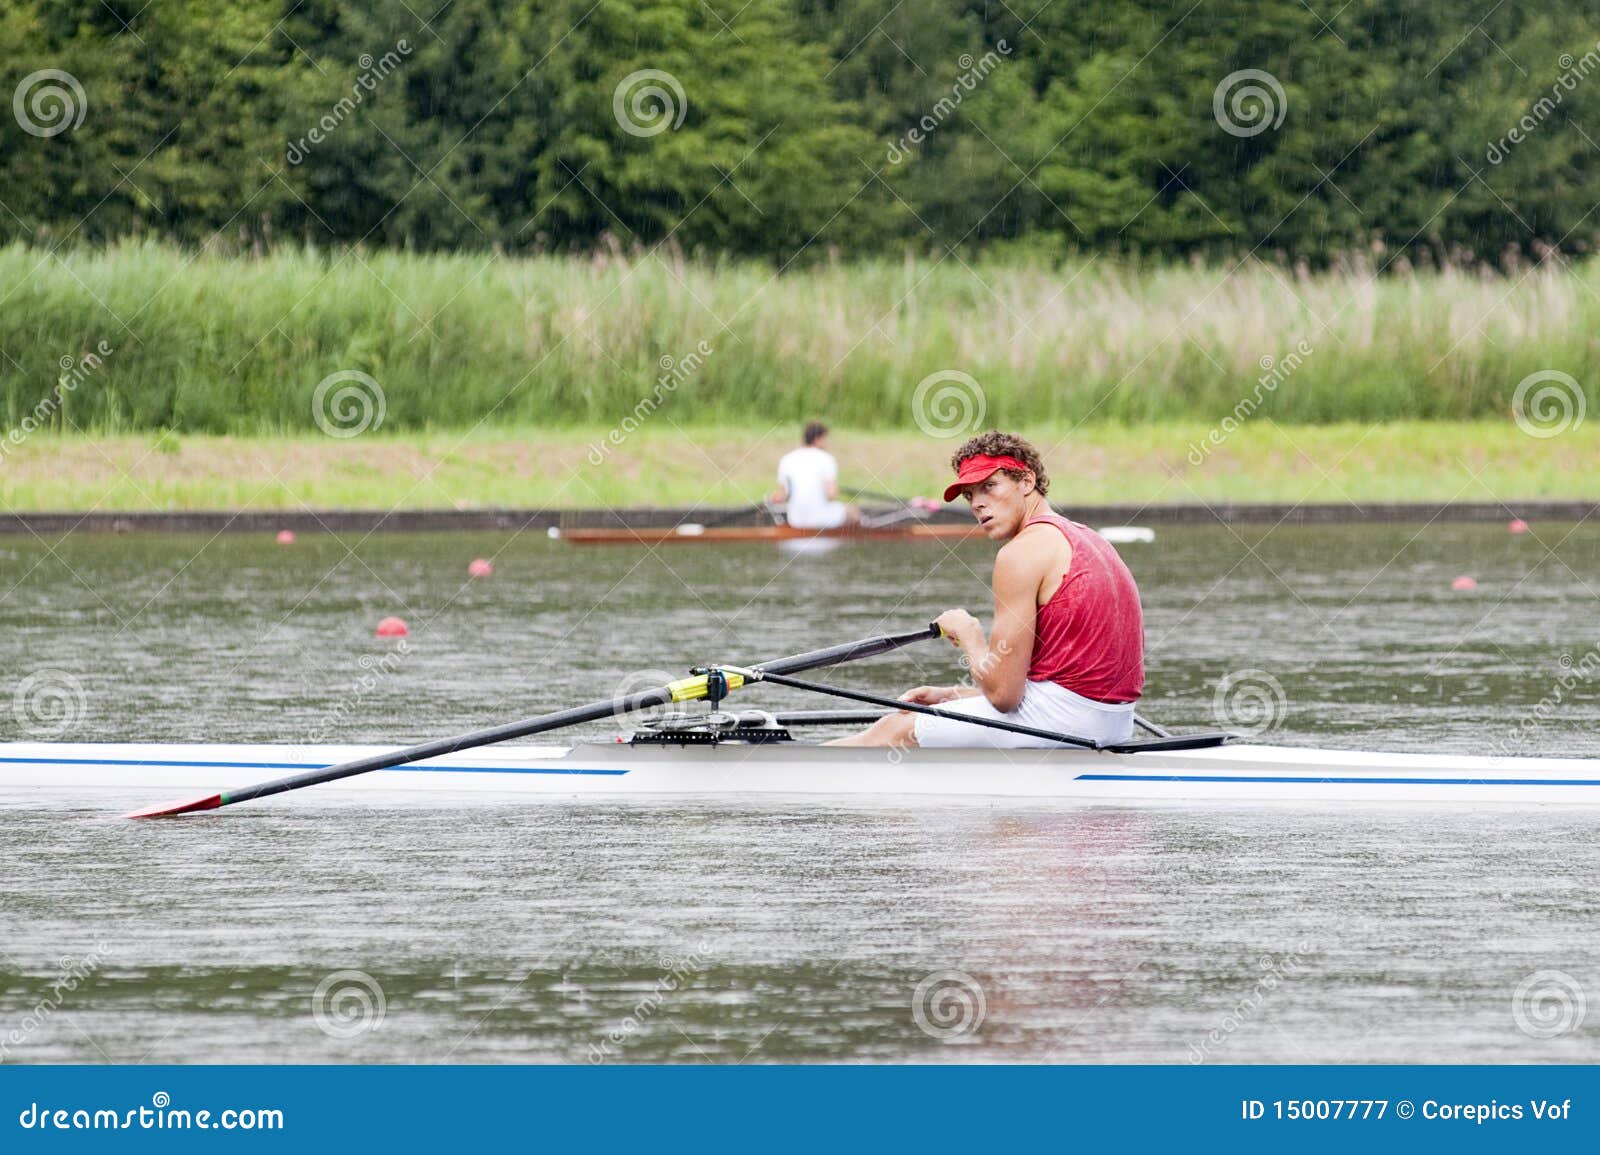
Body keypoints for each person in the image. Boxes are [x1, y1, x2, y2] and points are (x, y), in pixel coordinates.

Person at [833, 430, 1143, 748]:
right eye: (970, 495)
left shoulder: (1020, 553)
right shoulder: (1089, 538)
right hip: (1114, 723)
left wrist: (969, 634)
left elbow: (1004, 697)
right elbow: (1042, 683)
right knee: (928, 715)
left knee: (894, 728)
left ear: (1026, 481)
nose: (978, 504)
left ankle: (788, 772)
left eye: (989, 487)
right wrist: (953, 695)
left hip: (1066, 721)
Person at [770, 422, 861, 529]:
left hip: (795, 520)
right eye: (826, 439)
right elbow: (832, 494)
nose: (828, 443)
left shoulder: (786, 459)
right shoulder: (827, 458)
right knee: (853, 511)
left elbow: (782, 496)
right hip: (819, 519)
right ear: (818, 439)